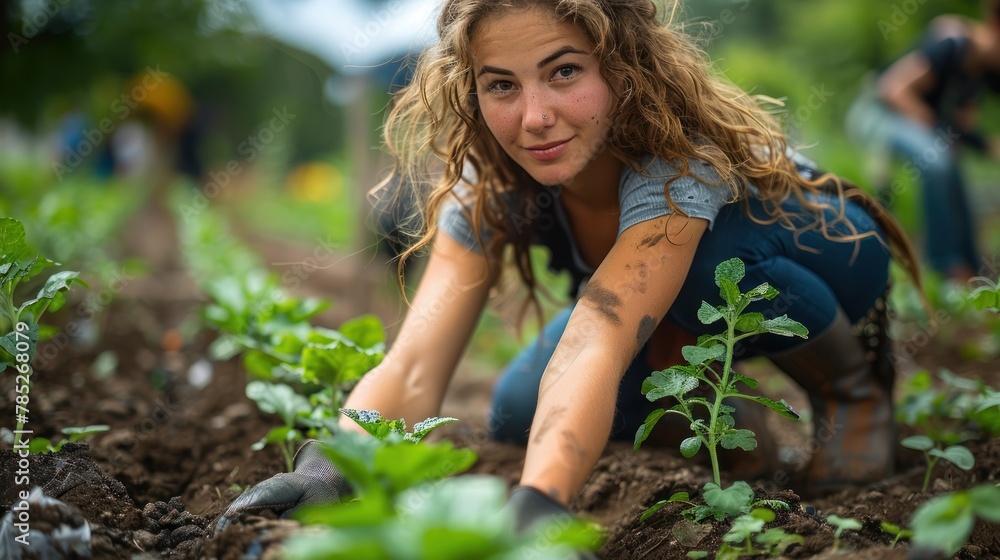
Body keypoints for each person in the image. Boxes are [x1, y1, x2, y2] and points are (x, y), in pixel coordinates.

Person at [216, 0, 924, 543]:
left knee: (710, 271)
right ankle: (726, 419)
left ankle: (854, 393)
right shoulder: (490, 184)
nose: (534, 118)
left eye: (564, 72)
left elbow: (599, 337)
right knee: (518, 407)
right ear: (471, 91)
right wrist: (335, 464)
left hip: (825, 256)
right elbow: (414, 362)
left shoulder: (674, 165)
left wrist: (539, 506)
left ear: (621, 68)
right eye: (501, 85)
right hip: (670, 300)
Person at [846, 0, 1000, 282]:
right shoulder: (954, 45)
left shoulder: (980, 73)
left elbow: (961, 129)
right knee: (937, 162)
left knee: (951, 164)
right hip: (876, 111)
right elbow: (893, 88)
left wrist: (987, 145)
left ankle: (972, 268)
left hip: (917, 123)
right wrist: (936, 128)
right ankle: (944, 267)